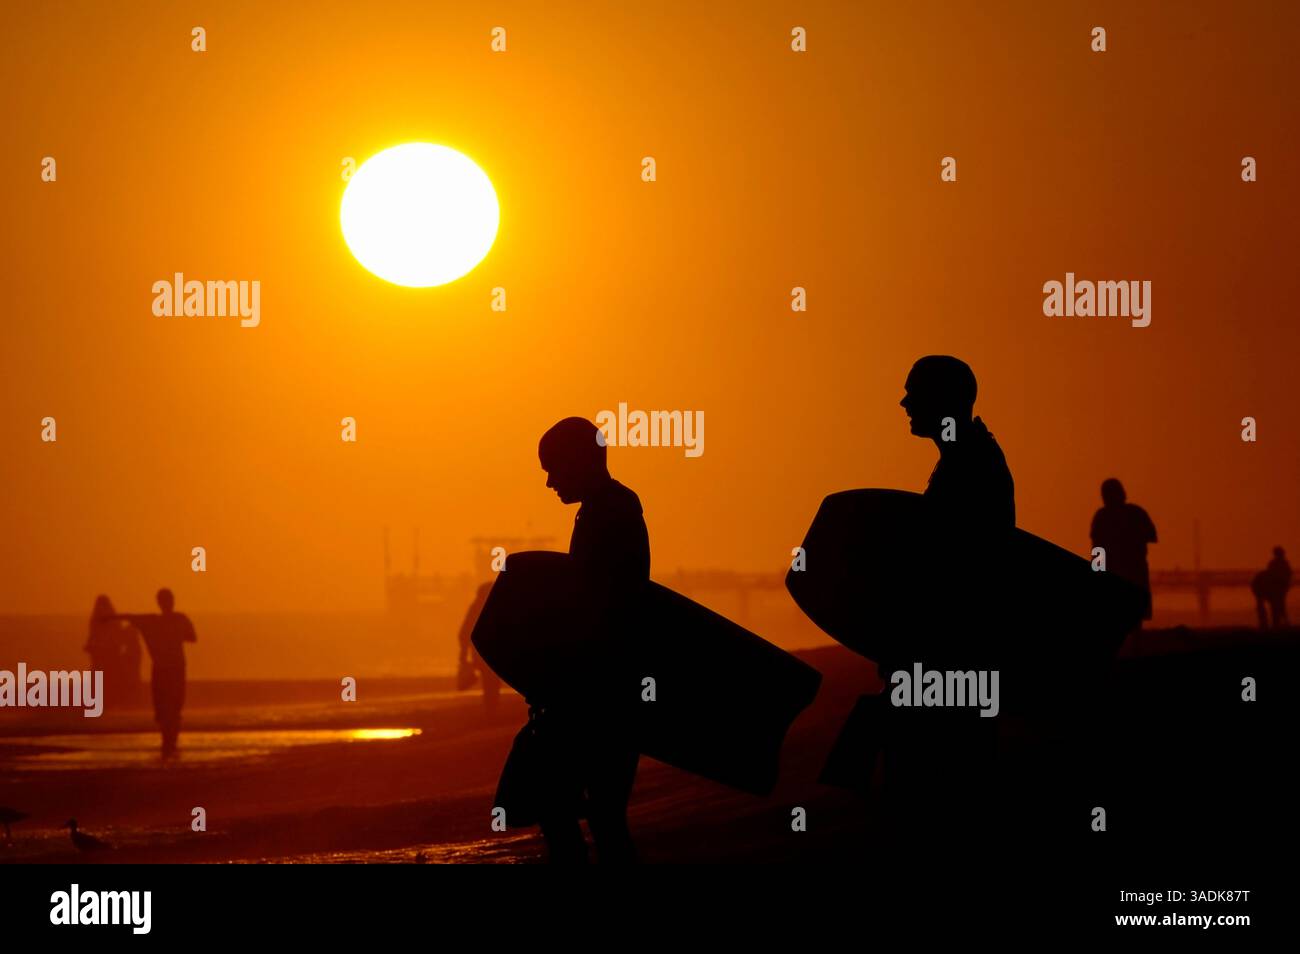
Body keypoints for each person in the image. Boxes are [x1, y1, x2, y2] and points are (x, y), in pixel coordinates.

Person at [526, 416, 649, 863]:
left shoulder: (611, 510)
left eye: (552, 468)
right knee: (593, 814)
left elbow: (604, 605)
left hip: (603, 691)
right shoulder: (603, 508)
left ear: (580, 460)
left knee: (579, 810)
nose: (549, 481)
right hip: (603, 687)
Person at [900, 355, 1015, 531]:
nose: (904, 403)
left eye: (915, 393)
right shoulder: (960, 450)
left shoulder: (971, 460)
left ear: (941, 399)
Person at [106, 589, 196, 758]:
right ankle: (170, 741)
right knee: (172, 705)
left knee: (166, 705)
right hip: (175, 668)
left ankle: (168, 741)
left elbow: (129, 617)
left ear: (159, 602)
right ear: (171, 602)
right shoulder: (177, 619)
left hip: (164, 668)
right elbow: (192, 637)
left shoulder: (153, 621)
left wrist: (109, 618)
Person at [1089, 479, 1158, 622]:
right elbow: (1152, 536)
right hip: (1132, 570)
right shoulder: (1136, 513)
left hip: (1128, 569)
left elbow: (1097, 548)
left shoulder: (1102, 517)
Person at [85, 596, 141, 708]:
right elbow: (93, 637)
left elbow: (117, 638)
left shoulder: (108, 621)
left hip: (110, 656)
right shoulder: (99, 621)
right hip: (103, 656)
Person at [456, 582, 501, 713]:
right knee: (492, 680)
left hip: (480, 653)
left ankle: (490, 707)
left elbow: (464, 632)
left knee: (489, 680)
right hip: (494, 652)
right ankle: (492, 706)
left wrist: (463, 654)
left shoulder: (475, 608)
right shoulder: (498, 608)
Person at [1252, 546, 1292, 629]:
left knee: (1276, 605)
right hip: (1272, 587)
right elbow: (1286, 576)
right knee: (1277, 605)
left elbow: (1286, 576)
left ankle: (1273, 623)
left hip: (1274, 587)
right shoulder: (1280, 564)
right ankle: (1273, 623)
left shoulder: (1281, 564)